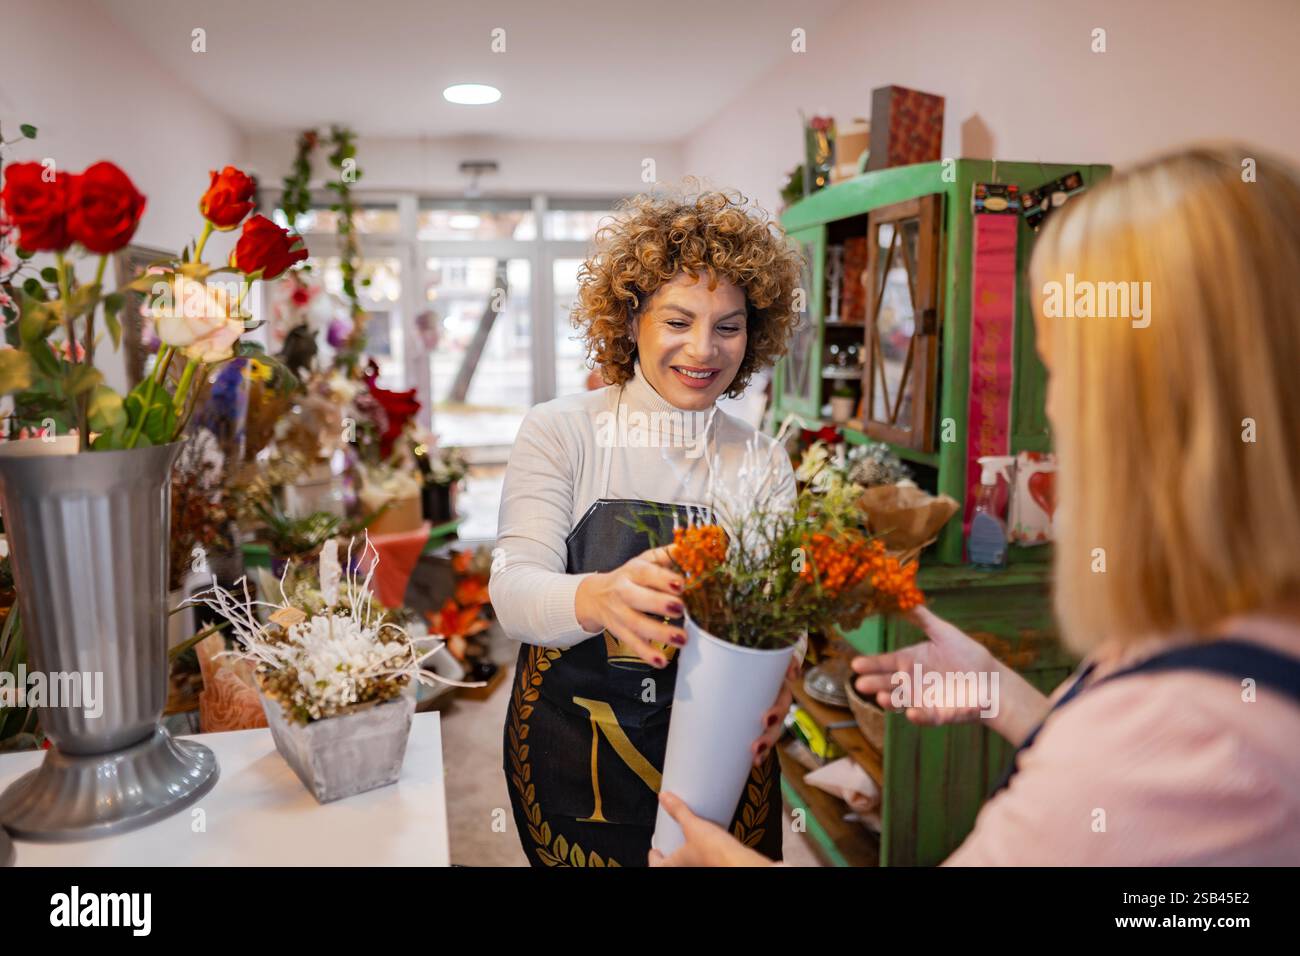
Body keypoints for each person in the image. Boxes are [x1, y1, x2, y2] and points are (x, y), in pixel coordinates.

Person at [651, 144, 1300, 866]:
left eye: (1062, 368)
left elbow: (1124, 776)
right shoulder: (1232, 647)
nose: (1052, 406)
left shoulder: (1178, 740)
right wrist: (997, 690)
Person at [489, 183, 805, 867]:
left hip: (720, 763)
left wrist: (789, 671)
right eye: (678, 320)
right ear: (631, 321)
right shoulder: (561, 431)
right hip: (576, 756)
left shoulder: (760, 458)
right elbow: (513, 590)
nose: (704, 349)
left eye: (729, 325)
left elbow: (786, 615)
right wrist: (598, 596)